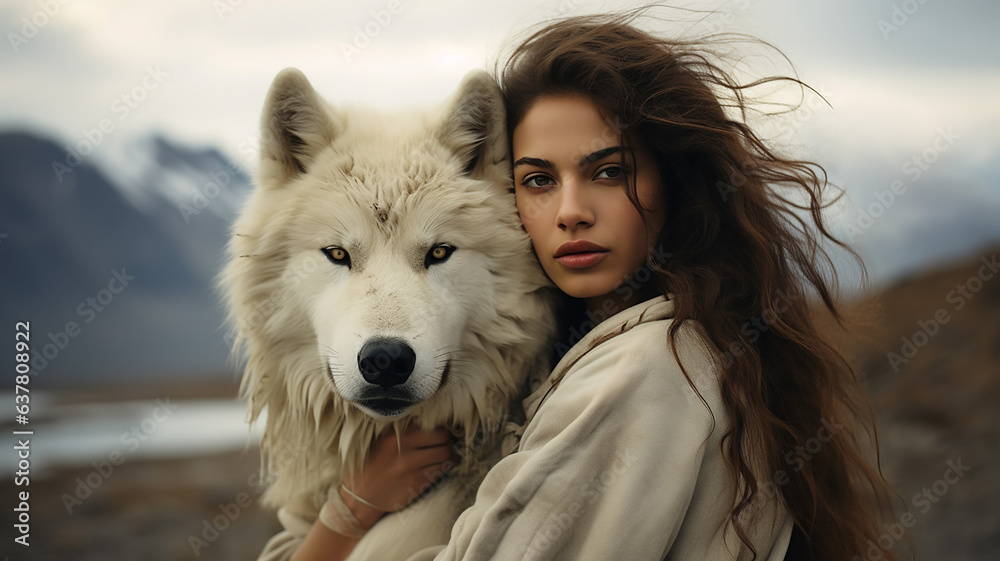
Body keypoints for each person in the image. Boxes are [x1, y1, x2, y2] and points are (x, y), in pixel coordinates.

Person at [285, 9, 902, 561]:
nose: (571, 212)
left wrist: (347, 518)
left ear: (673, 181)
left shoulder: (647, 371)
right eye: (538, 180)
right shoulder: (606, 350)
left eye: (608, 172)